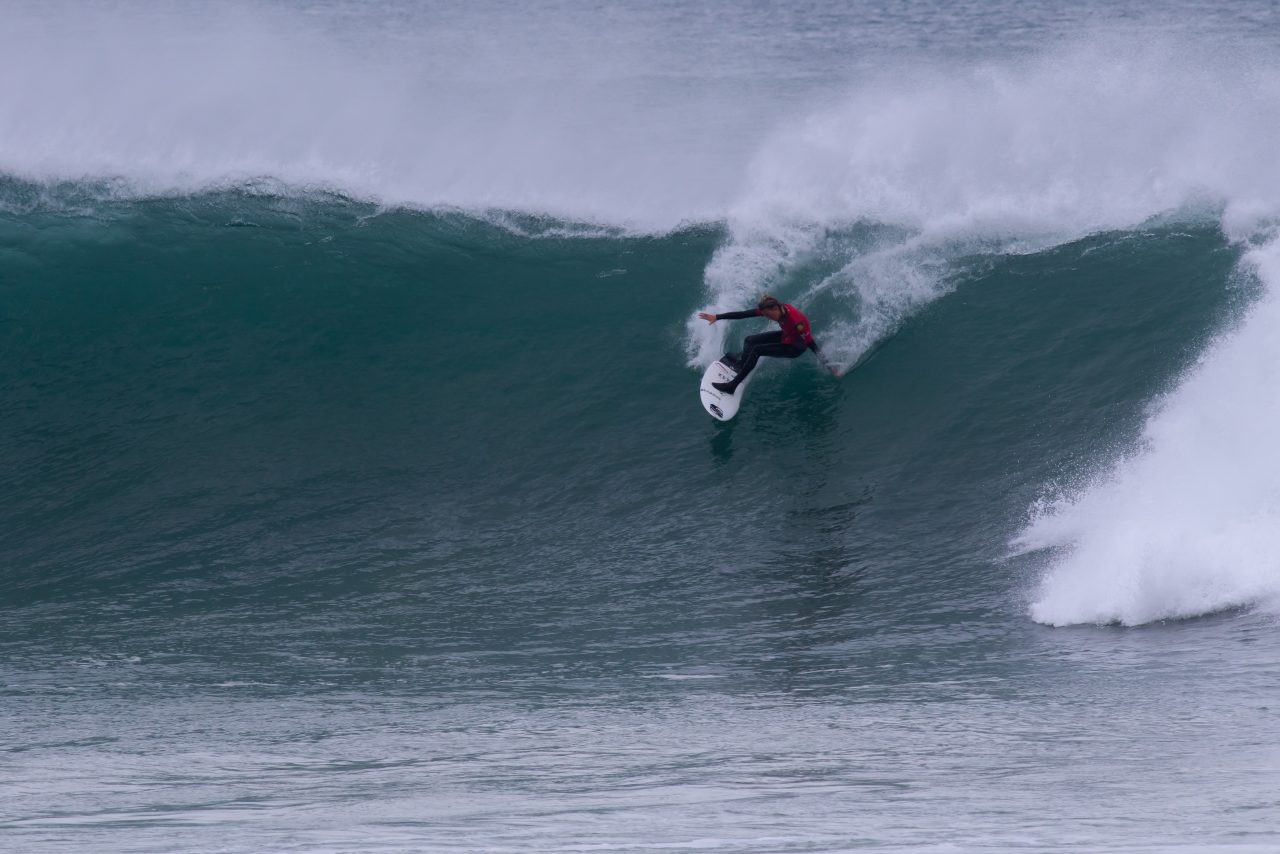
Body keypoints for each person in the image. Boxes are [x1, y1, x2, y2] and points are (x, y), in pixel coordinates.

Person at [697, 294, 840, 395]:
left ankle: (732, 386)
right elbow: (744, 314)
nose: (768, 318)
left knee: (757, 351)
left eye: (769, 316)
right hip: (786, 336)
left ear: (776, 309)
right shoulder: (772, 309)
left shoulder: (797, 322)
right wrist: (717, 317)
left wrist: (831, 368)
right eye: (765, 315)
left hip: (795, 347)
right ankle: (741, 364)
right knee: (749, 340)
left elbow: (811, 344)